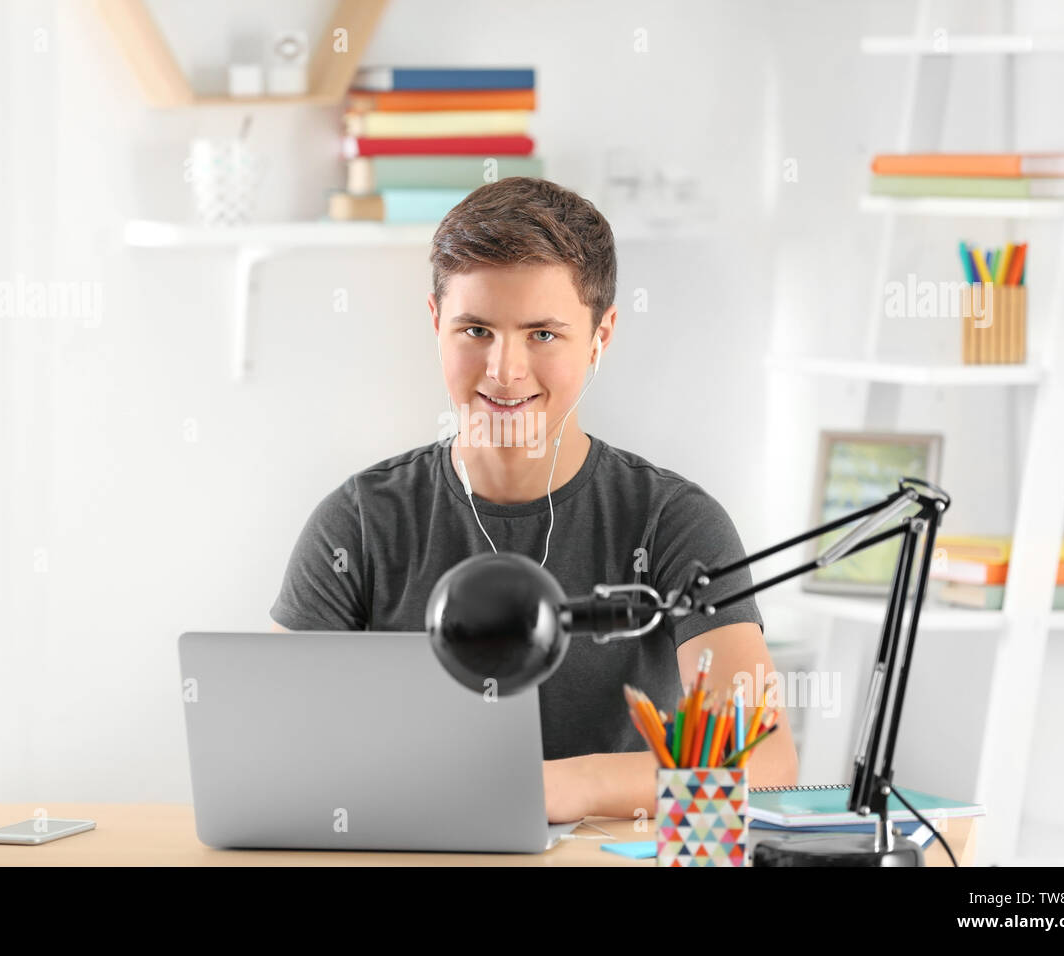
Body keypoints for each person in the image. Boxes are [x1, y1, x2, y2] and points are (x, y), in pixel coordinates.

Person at [271, 176, 797, 822]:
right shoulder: (357, 525)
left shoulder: (673, 524)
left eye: (543, 334)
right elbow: (272, 747)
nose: (505, 369)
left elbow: (763, 763)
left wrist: (565, 789)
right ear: (436, 324)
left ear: (601, 337)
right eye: (476, 331)